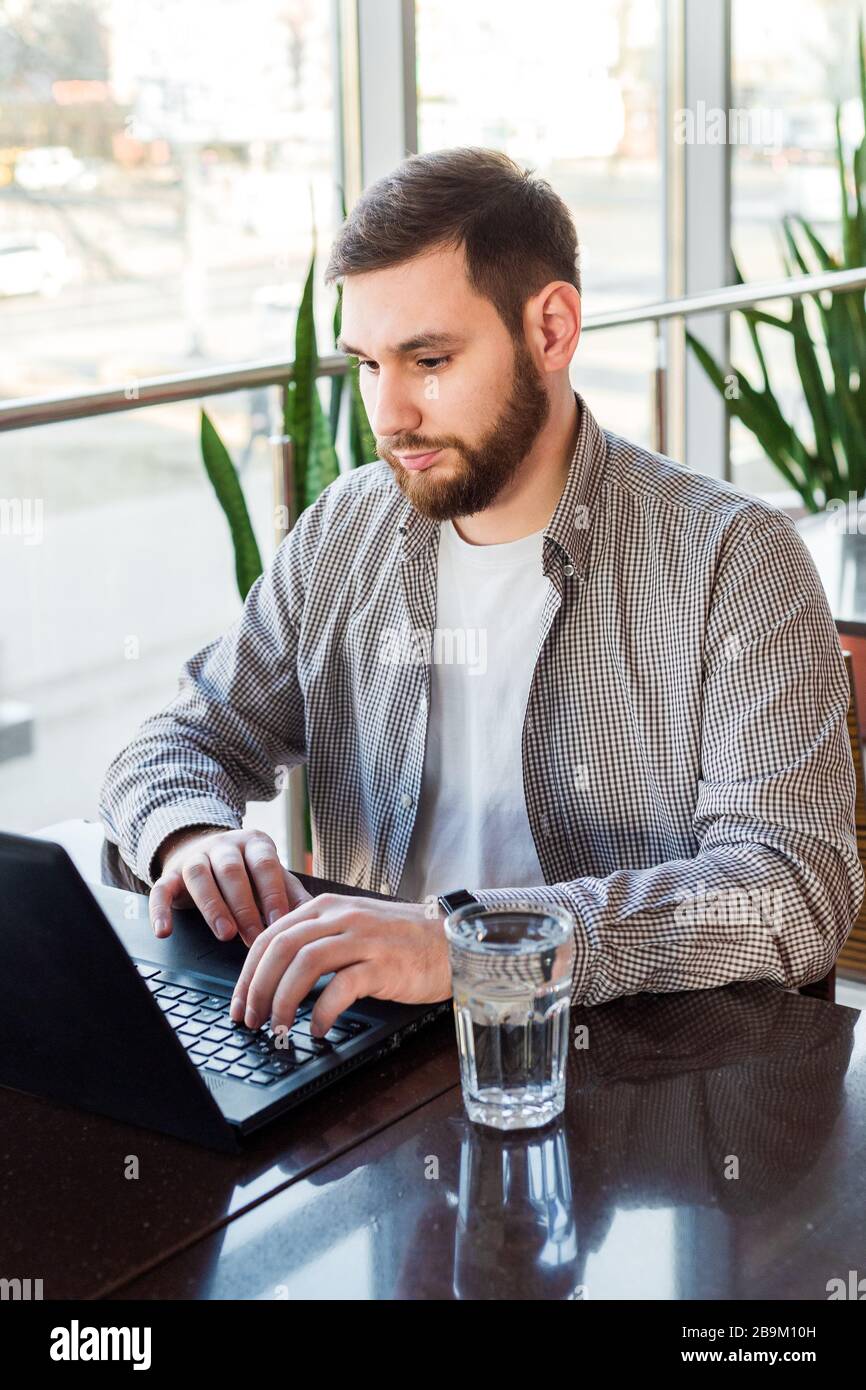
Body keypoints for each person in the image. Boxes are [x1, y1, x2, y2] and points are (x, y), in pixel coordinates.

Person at [99, 146, 863, 1040]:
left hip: (631, 1088)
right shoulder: (349, 526)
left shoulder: (733, 559)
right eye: (367, 366)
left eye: (427, 360)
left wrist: (475, 947)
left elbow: (790, 889)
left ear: (551, 330)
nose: (389, 417)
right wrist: (194, 839)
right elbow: (187, 734)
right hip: (370, 1051)